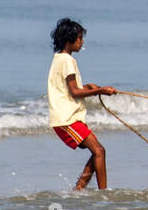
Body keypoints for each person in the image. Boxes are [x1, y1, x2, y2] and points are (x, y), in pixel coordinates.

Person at [48, 18, 117, 190]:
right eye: (79, 39)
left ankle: (79, 188)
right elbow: (75, 92)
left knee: (98, 152)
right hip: (67, 119)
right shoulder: (68, 61)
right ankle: (104, 193)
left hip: (69, 118)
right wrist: (100, 91)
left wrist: (88, 87)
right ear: (69, 41)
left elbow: (69, 89)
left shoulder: (59, 58)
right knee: (99, 151)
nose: (82, 42)